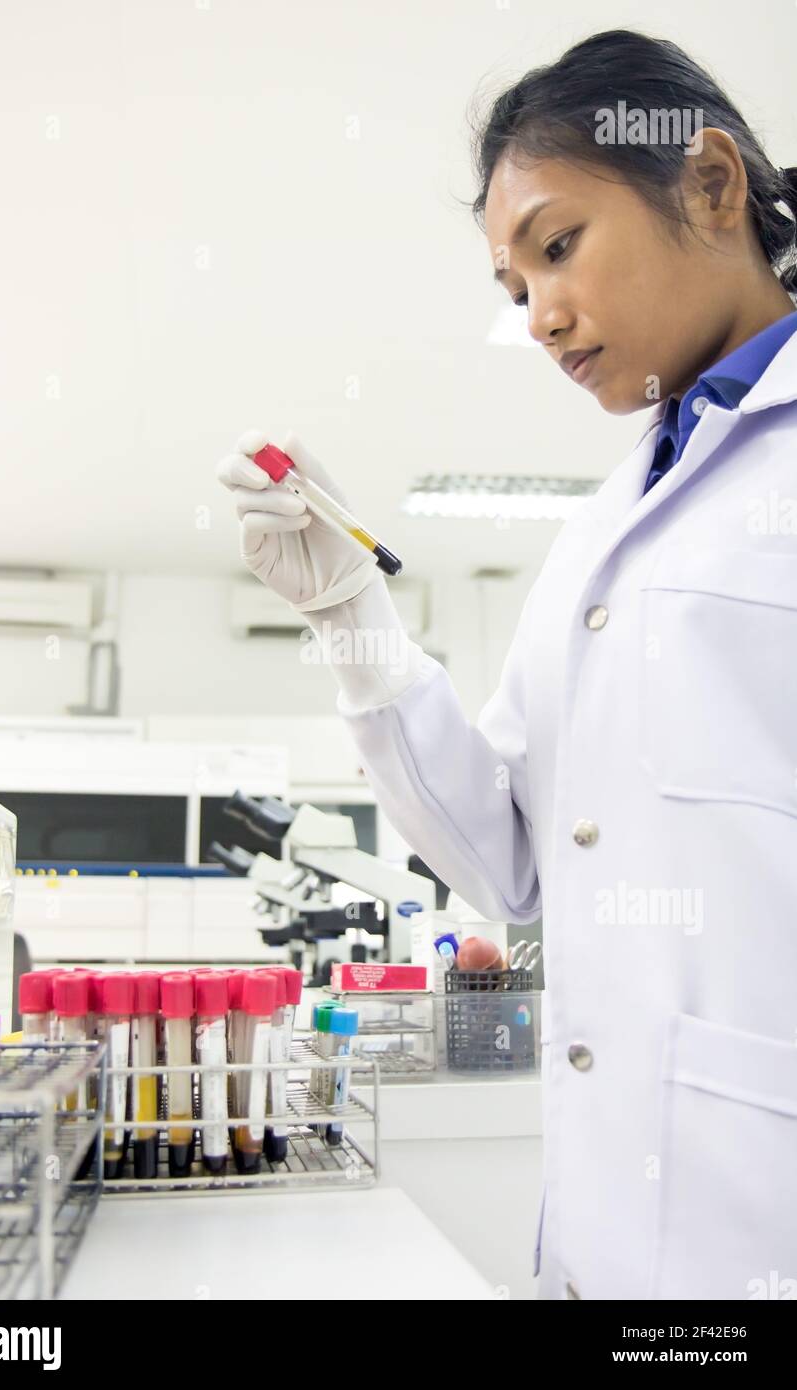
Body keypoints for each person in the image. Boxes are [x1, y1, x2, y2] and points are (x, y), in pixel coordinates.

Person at [217, 29, 797, 1300]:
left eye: (555, 247)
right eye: (509, 283)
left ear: (707, 186)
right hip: (601, 1236)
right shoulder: (598, 531)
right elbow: (507, 863)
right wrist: (350, 614)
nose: (535, 315)